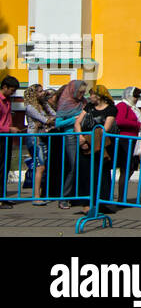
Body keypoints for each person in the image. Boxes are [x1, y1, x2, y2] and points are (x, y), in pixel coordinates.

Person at [74, 85, 117, 215]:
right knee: (85, 173)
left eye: (91, 94)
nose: (89, 96)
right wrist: (81, 138)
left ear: (99, 96)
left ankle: (101, 203)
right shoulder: (88, 107)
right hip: (84, 143)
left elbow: (106, 128)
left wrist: (91, 140)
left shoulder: (111, 109)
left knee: (101, 173)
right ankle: (86, 204)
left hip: (101, 145)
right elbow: (77, 123)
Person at [50, 80, 88, 208]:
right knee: (73, 166)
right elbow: (58, 123)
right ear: (74, 90)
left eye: (83, 92)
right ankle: (64, 197)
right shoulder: (65, 102)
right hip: (71, 136)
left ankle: (79, 196)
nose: (81, 95)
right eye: (80, 92)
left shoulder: (83, 102)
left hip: (84, 135)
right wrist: (75, 119)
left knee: (84, 166)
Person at [23, 85, 53, 205]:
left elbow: (55, 114)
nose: (43, 93)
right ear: (34, 94)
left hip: (43, 137)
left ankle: (41, 194)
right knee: (39, 166)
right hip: (34, 138)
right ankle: (36, 196)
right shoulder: (30, 107)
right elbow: (46, 120)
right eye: (40, 92)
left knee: (43, 166)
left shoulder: (43, 106)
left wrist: (46, 103)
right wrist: (49, 120)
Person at [113, 87, 141, 205]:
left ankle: (122, 196)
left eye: (138, 96)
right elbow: (119, 121)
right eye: (135, 96)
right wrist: (138, 125)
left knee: (131, 168)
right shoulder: (122, 106)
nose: (137, 99)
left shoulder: (133, 108)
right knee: (126, 168)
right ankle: (121, 198)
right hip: (124, 141)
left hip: (133, 140)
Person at [0, 76, 17, 204]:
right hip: (2, 135)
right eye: (11, 90)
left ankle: (3, 196)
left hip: (7, 137)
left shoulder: (8, 100)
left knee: (5, 167)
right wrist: (9, 129)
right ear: (4, 87)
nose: (13, 92)